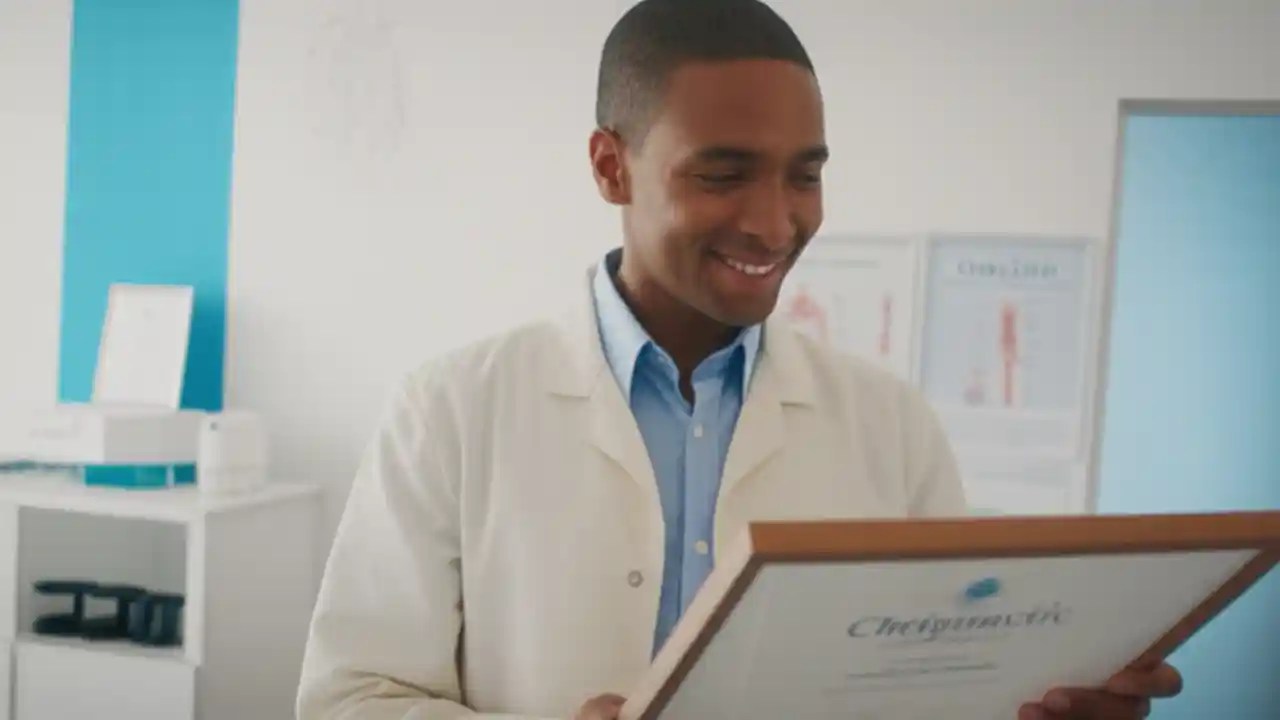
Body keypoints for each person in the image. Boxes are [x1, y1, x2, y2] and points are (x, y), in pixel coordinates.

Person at [296, 1, 1183, 718]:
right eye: (723, 175)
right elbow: (349, 697)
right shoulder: (451, 408)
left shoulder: (889, 425)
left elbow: (935, 695)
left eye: (804, 175)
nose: (774, 222)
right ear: (612, 167)